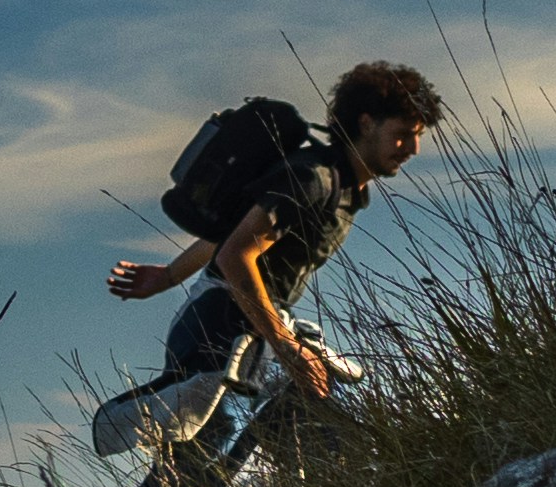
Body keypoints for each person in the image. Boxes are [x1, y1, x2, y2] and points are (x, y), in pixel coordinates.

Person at [112, 59, 445, 409]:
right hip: (221, 324)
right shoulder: (314, 178)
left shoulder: (347, 190)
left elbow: (235, 233)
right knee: (200, 457)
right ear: (366, 123)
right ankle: (139, 412)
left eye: (418, 136)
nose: (413, 148)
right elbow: (235, 253)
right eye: (403, 134)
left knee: (276, 434)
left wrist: (168, 275)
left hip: (249, 326)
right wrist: (286, 345)